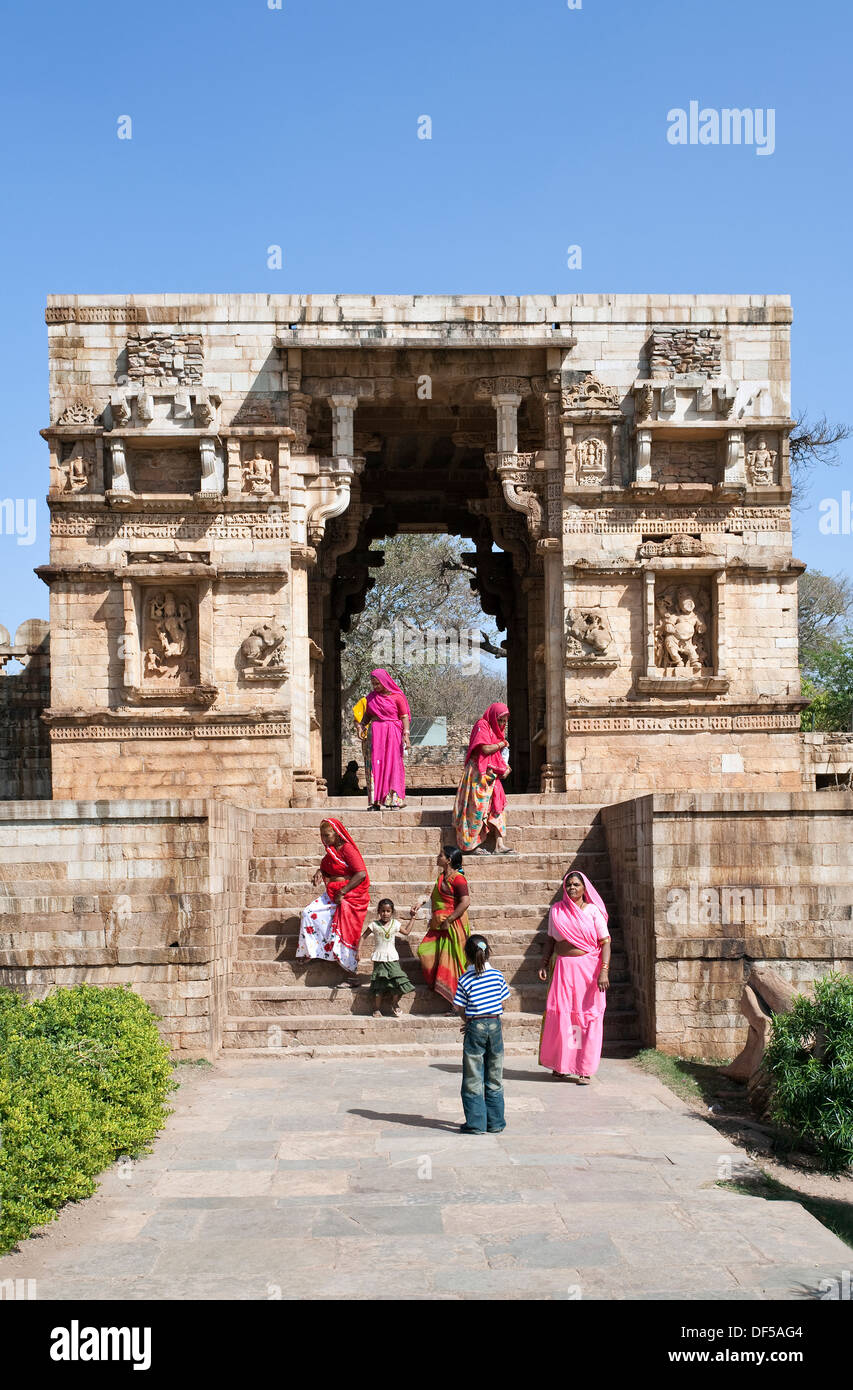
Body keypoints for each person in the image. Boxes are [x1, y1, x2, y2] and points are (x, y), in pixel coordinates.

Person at [538, 870, 611, 1084]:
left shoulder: (592, 912)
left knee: (585, 1016)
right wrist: (543, 963)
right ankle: (564, 1064)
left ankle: (584, 1068)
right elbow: (551, 940)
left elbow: (605, 942)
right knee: (564, 1016)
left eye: (576, 884)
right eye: (568, 884)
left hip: (588, 970)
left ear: (584, 888)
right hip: (562, 968)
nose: (571, 888)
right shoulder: (557, 910)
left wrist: (604, 970)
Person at [296, 818, 370, 979]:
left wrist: (343, 891)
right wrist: (319, 872)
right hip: (333, 892)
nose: (324, 839)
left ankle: (349, 969)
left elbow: (361, 873)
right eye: (322, 836)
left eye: (327, 835)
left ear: (336, 834)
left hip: (349, 894)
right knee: (308, 913)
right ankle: (311, 951)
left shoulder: (348, 849)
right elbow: (327, 867)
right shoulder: (331, 851)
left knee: (341, 925)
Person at [452, 935, 510, 1134]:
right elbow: (502, 1003)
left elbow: (458, 1006)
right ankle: (496, 1123)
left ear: (466, 955)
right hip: (495, 1024)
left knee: (473, 1075)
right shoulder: (497, 976)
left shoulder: (464, 979)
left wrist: (468, 1020)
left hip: (475, 1025)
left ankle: (476, 1123)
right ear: (488, 953)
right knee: (494, 1075)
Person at [410, 846, 471, 1005]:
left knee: (452, 962)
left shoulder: (458, 879)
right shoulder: (441, 876)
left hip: (452, 925)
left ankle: (456, 1003)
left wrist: (449, 920)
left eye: (441, 855)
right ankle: (439, 985)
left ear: (449, 860)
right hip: (438, 925)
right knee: (424, 950)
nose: (438, 857)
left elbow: (465, 902)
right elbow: (436, 898)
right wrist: (421, 903)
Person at [453, 701, 516, 855]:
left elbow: (499, 758)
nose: (501, 724)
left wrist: (505, 768)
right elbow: (485, 748)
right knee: (476, 809)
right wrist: (502, 744)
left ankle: (499, 845)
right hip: (477, 775)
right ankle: (471, 845)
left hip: (491, 777)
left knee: (497, 806)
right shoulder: (482, 725)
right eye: (500, 720)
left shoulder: (496, 733)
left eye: (504, 721)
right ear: (493, 716)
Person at [358, 669, 411, 809]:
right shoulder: (371, 697)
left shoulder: (397, 697)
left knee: (392, 764)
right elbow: (367, 716)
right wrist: (361, 726)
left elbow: (404, 716)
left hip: (392, 733)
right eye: (373, 684)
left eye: (377, 684)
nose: (375, 687)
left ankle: (394, 800)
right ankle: (375, 801)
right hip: (375, 735)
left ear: (385, 681)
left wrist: (406, 734)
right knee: (375, 766)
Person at [359, 897, 415, 1017]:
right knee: (379, 987)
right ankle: (376, 1009)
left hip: (392, 959)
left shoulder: (395, 924)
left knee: (400, 982)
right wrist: (358, 951)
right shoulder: (374, 925)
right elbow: (363, 937)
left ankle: (394, 1003)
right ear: (379, 912)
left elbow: (406, 932)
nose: (385, 914)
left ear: (392, 912)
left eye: (388, 911)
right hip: (379, 960)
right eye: (383, 911)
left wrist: (413, 917)